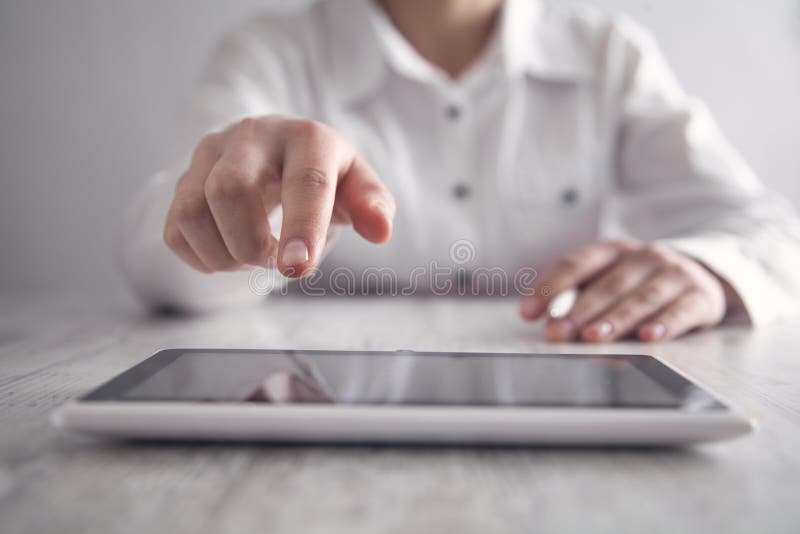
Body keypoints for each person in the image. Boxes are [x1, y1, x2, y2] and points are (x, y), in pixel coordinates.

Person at [119, 0, 800, 343]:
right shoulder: (271, 53)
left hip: (560, 406)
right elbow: (154, 256)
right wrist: (225, 215)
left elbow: (772, 231)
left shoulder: (609, 56)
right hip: (314, 415)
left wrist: (710, 270)